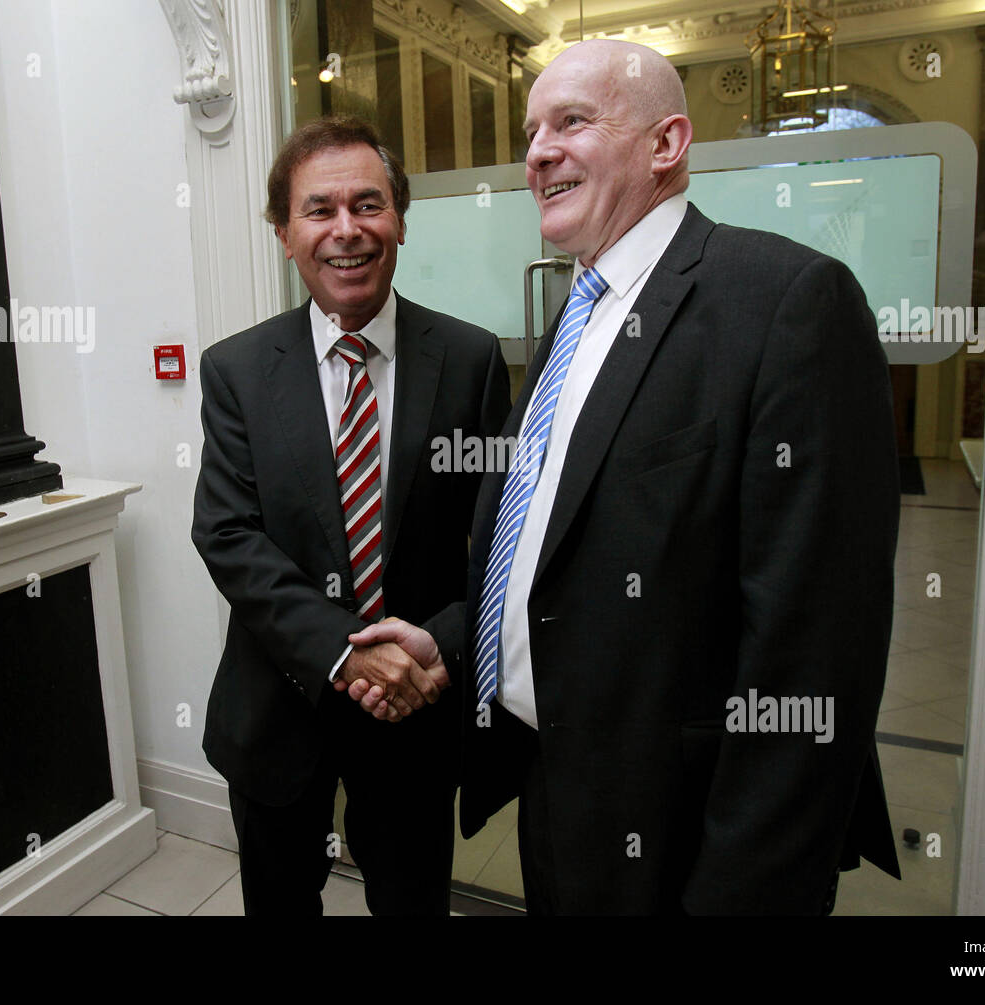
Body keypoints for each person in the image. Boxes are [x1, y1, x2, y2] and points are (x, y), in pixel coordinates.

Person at [348, 40, 901, 914]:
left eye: (572, 121)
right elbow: (557, 547)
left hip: (687, 828)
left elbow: (815, 653)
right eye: (533, 131)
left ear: (666, 143)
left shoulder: (788, 301)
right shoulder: (576, 310)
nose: (538, 151)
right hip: (555, 786)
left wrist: (746, 889)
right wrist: (455, 640)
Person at [192, 116, 511, 915]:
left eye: (368, 205)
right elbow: (227, 534)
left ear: (400, 216)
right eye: (319, 210)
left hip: (416, 708)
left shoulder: (471, 359)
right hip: (279, 707)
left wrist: (436, 641)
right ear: (284, 233)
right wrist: (346, 653)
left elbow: (500, 540)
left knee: (411, 902)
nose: (347, 231)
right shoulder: (236, 370)